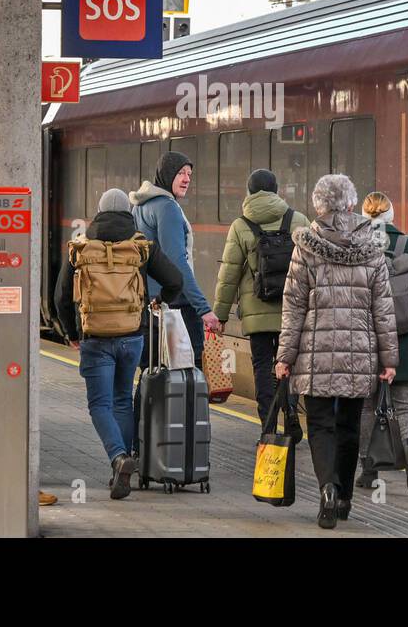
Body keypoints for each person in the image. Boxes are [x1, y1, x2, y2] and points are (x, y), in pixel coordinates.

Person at [275, 174, 398, 529]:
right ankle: (343, 497)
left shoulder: (307, 245)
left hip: (316, 354)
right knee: (348, 426)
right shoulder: (372, 247)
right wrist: (389, 360)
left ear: (319, 205)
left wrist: (284, 356)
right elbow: (383, 309)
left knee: (321, 426)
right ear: (349, 204)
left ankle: (327, 487)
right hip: (359, 354)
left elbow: (294, 307)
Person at [55, 188, 183, 499]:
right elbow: (175, 281)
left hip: (95, 338)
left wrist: (71, 333)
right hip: (131, 336)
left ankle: (118, 458)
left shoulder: (80, 248)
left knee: (100, 404)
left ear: (98, 213)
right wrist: (156, 302)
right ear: (128, 212)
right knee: (123, 400)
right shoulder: (141, 247)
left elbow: (60, 297)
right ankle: (121, 465)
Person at [212, 168, 308, 428]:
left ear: (249, 192)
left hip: (257, 312)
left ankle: (267, 422)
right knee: (289, 363)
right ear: (277, 190)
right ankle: (290, 413)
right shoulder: (298, 220)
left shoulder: (241, 226)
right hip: (293, 309)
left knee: (263, 366)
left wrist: (219, 316)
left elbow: (229, 275)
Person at [356, 191, 408, 495]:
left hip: (368, 336)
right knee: (405, 404)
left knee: (367, 406)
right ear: (391, 215)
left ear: (364, 216)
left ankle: (368, 468)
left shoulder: (358, 244)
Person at [129, 151, 220, 371]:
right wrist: (204, 309)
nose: (187, 178)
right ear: (167, 174)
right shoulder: (167, 207)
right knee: (189, 371)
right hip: (174, 304)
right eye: (181, 173)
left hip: (149, 304)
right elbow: (177, 262)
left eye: (189, 173)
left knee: (152, 373)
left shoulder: (140, 206)